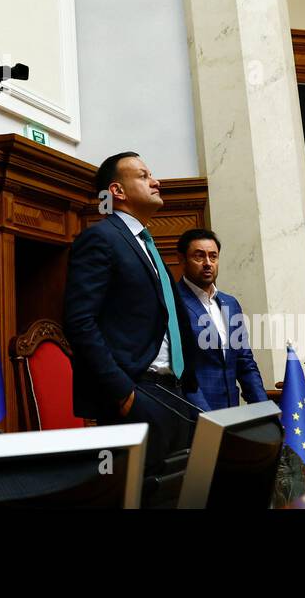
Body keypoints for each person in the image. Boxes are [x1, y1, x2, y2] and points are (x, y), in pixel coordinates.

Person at [63, 152, 200, 472]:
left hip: (175, 395)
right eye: (143, 175)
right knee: (141, 492)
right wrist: (122, 393)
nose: (156, 181)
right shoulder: (100, 238)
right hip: (137, 394)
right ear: (117, 191)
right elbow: (79, 321)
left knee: (179, 490)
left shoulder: (146, 244)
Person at [175, 228, 268, 411]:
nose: (208, 263)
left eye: (213, 256)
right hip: (194, 414)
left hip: (231, 413)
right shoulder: (173, 302)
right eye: (199, 256)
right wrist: (209, 418)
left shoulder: (230, 304)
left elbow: (245, 363)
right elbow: (181, 370)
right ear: (182, 259)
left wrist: (265, 412)